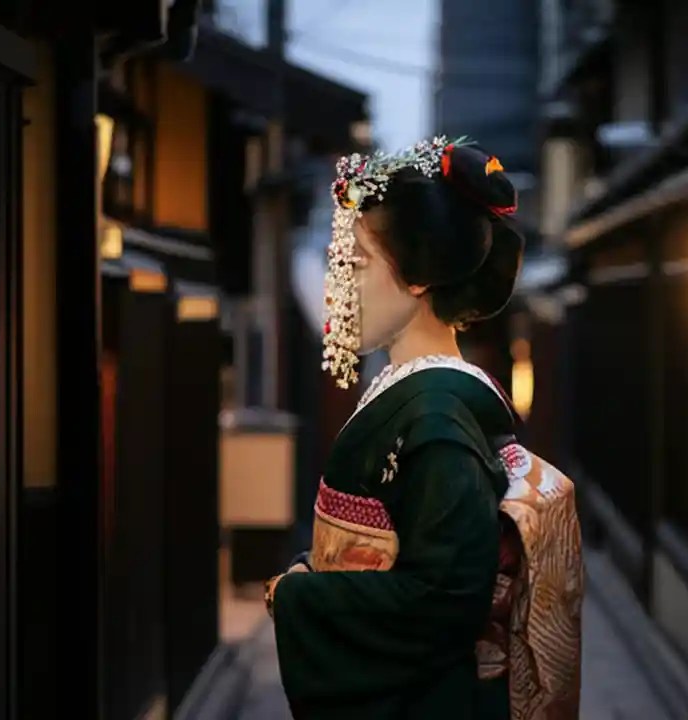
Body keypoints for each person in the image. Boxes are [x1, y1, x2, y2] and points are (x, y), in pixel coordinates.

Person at [264, 137, 583, 719]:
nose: (338, 285)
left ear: (417, 274)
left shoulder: (437, 415)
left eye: (355, 264)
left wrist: (301, 595)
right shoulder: (421, 395)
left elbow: (444, 600)